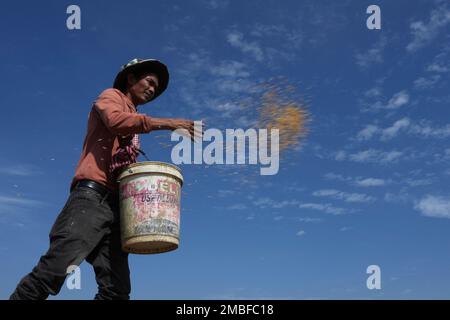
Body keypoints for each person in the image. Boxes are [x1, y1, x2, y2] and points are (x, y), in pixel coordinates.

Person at [9, 58, 195, 300]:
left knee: (116, 290)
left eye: (156, 88)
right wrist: (168, 123)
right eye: (149, 82)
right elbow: (115, 121)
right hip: (91, 199)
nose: (152, 89)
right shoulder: (112, 97)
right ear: (130, 79)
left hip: (117, 208)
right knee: (54, 270)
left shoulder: (135, 121)